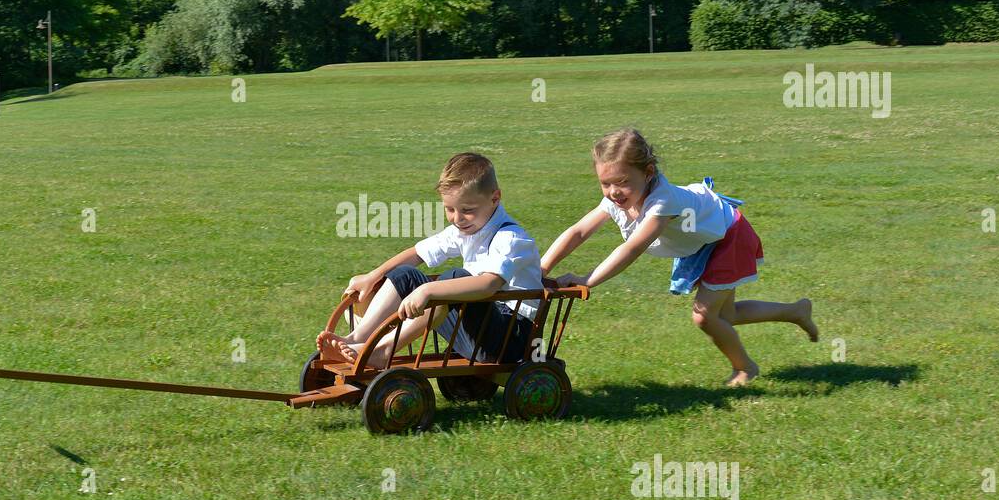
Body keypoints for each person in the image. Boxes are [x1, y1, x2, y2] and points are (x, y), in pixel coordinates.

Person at [541, 128, 817, 386]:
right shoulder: (617, 199)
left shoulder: (663, 202)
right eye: (605, 183)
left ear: (648, 172)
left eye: (623, 182)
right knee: (727, 315)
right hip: (703, 240)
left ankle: (745, 368)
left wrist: (587, 280)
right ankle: (796, 311)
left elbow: (632, 248)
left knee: (705, 317)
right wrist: (542, 267)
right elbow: (579, 231)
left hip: (729, 236)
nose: (614, 192)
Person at [318, 153, 543, 369]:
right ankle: (359, 338)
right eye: (450, 209)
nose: (457, 218)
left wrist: (428, 290)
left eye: (467, 210)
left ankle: (383, 351)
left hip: (511, 339)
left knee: (454, 279)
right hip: (476, 331)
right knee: (407, 274)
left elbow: (488, 284)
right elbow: (418, 253)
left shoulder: (510, 237)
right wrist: (373, 276)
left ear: (495, 198)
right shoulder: (466, 229)